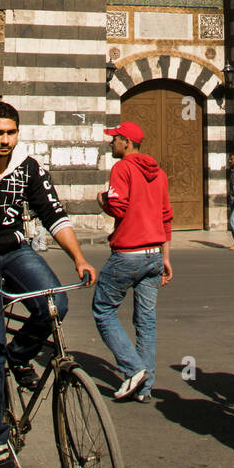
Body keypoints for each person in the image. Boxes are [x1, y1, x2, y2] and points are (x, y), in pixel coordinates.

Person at [0, 100, 97, 468]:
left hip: (13, 251)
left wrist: (78, 257)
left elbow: (53, 214)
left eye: (11, 133)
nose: (5, 140)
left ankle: (22, 353)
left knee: (54, 305)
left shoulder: (28, 168)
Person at [92, 121, 173, 403]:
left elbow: (119, 206)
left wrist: (102, 200)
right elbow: (166, 216)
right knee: (146, 321)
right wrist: (166, 257)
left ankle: (134, 368)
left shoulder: (122, 168)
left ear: (127, 142)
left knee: (103, 310)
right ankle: (145, 387)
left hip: (128, 254)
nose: (111, 143)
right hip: (153, 255)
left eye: (115, 139)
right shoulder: (159, 174)